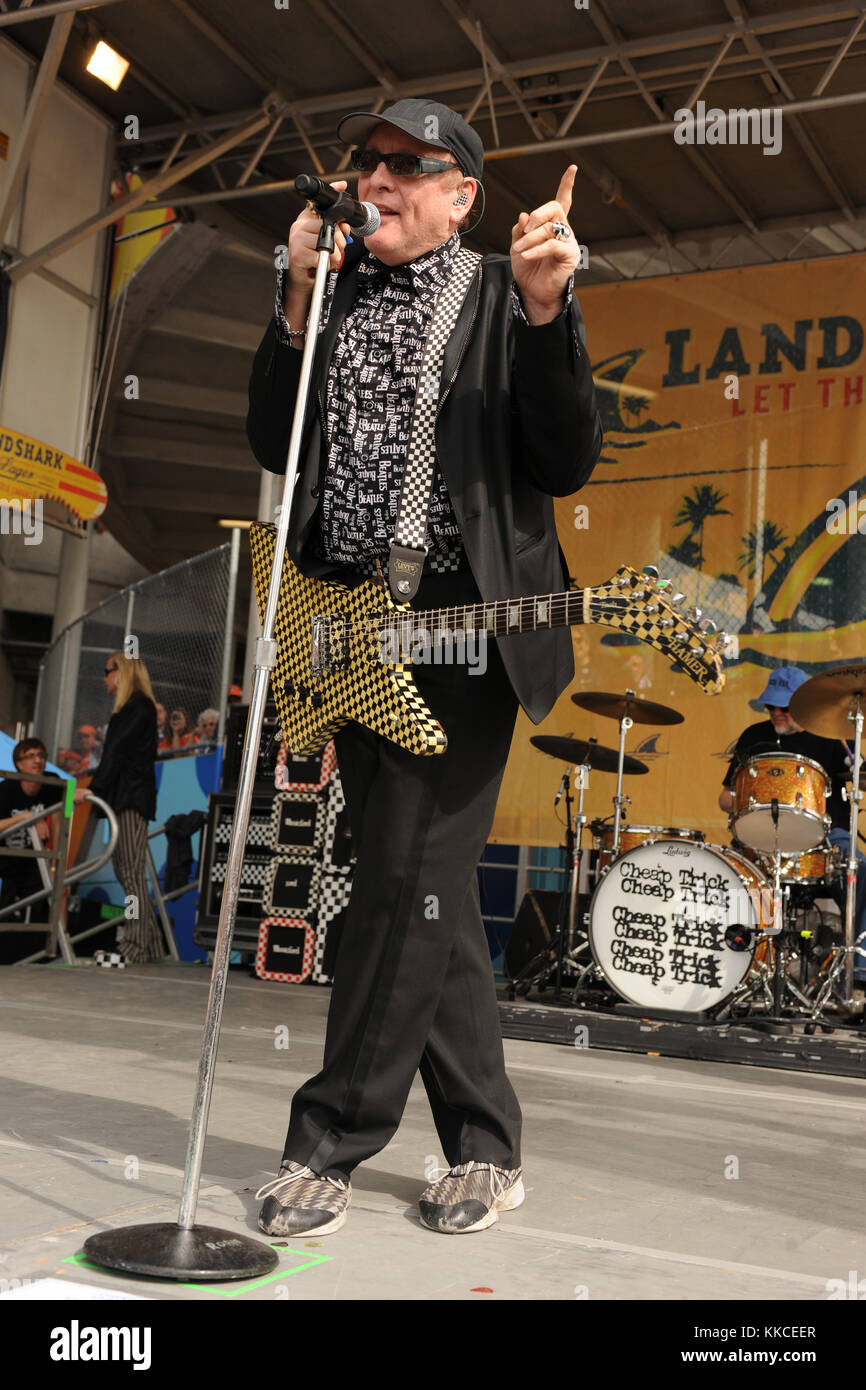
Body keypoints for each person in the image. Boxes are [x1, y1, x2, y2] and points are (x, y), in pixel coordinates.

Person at [247, 98, 601, 1237]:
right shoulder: (336, 296)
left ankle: (331, 1138)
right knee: (419, 887)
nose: (380, 179)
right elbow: (271, 439)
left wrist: (550, 311)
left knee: (399, 878)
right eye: (370, 163)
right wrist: (296, 294)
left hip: (459, 628)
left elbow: (562, 456)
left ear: (462, 197)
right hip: (346, 627)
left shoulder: (503, 294)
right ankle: (485, 1147)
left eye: (412, 166)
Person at [719, 666, 865, 982]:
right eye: (770, 706)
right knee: (733, 875)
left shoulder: (831, 739)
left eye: (783, 708)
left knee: (861, 870)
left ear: (802, 706)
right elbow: (725, 798)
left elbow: (859, 778)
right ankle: (750, 967)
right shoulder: (753, 736)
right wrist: (750, 804)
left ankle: (858, 971)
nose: (775, 713)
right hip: (762, 836)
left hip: (824, 837)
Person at [74, 651, 163, 964]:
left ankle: (138, 945)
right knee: (126, 870)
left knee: (131, 871)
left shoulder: (138, 707)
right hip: (122, 797)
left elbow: (116, 755)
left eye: (107, 670)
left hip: (130, 799)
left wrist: (92, 790)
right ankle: (148, 944)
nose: (104, 678)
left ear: (122, 672)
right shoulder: (131, 709)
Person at [0, 739, 54, 961]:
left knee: (59, 887)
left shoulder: (54, 784)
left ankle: (56, 947)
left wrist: (58, 864)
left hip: (34, 863)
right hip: (5, 862)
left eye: (41, 755)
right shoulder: (6, 789)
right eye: (30, 756)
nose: (37, 760)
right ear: (19, 764)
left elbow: (64, 813)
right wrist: (27, 818)